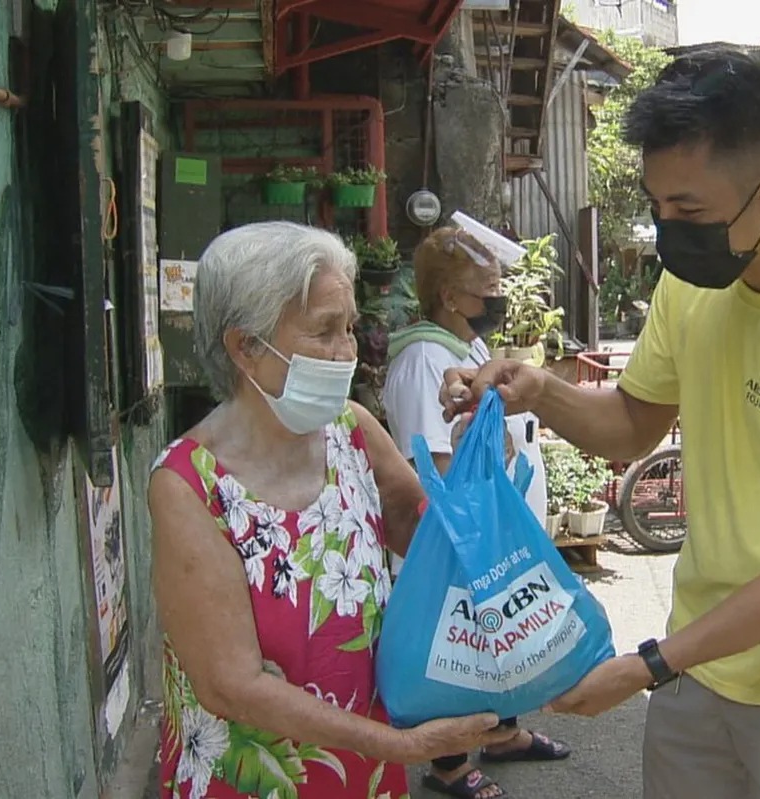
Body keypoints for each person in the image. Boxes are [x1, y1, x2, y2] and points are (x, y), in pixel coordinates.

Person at [440, 49, 760, 799]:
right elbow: (633, 425)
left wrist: (650, 664)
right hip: (694, 667)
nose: (668, 233)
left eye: (691, 211)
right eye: (658, 206)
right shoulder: (694, 286)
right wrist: (538, 390)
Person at [148, 221, 518, 799]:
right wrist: (403, 746)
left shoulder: (350, 430)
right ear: (245, 346)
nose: (347, 350)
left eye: (349, 326)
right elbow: (232, 687)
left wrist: (476, 460)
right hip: (254, 781)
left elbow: (429, 536)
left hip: (363, 774)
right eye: (324, 331)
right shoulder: (189, 485)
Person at [381, 227, 569, 799]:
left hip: (492, 524)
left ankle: (503, 732)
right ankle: (449, 766)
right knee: (459, 645)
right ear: (449, 298)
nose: (498, 296)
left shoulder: (468, 348)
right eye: (486, 287)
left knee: (495, 639)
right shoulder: (422, 359)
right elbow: (433, 463)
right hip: (460, 533)